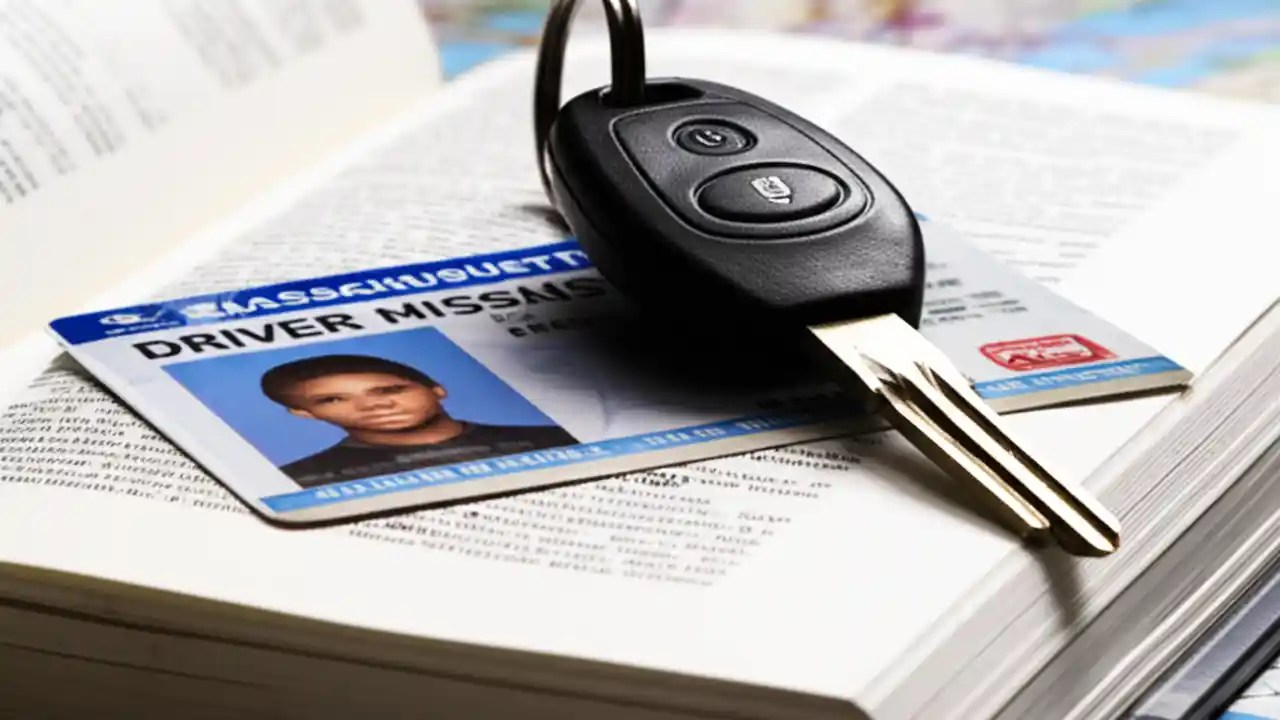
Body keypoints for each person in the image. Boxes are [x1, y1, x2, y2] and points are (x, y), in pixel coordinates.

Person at [261, 354, 576, 488]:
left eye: (390, 389)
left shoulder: (559, 438)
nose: (375, 404)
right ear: (304, 414)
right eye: (332, 399)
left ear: (437, 390)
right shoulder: (299, 479)